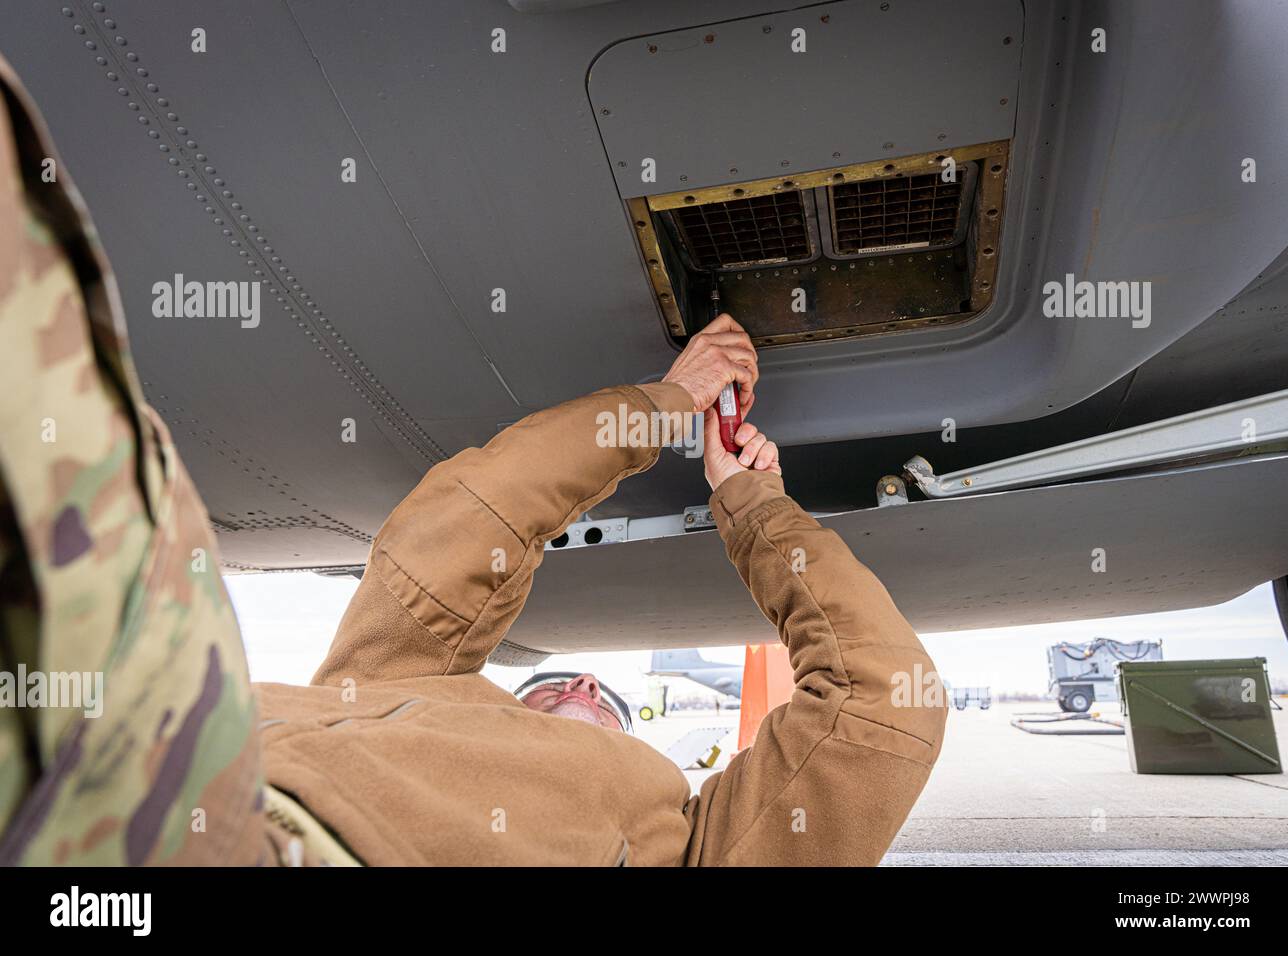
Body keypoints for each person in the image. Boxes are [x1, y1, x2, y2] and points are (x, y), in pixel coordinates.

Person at [0, 57, 945, 867]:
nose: (580, 683)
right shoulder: (399, 686)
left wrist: (692, 427)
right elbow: (879, 705)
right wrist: (729, 479)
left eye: (565, 686)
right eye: (589, 689)